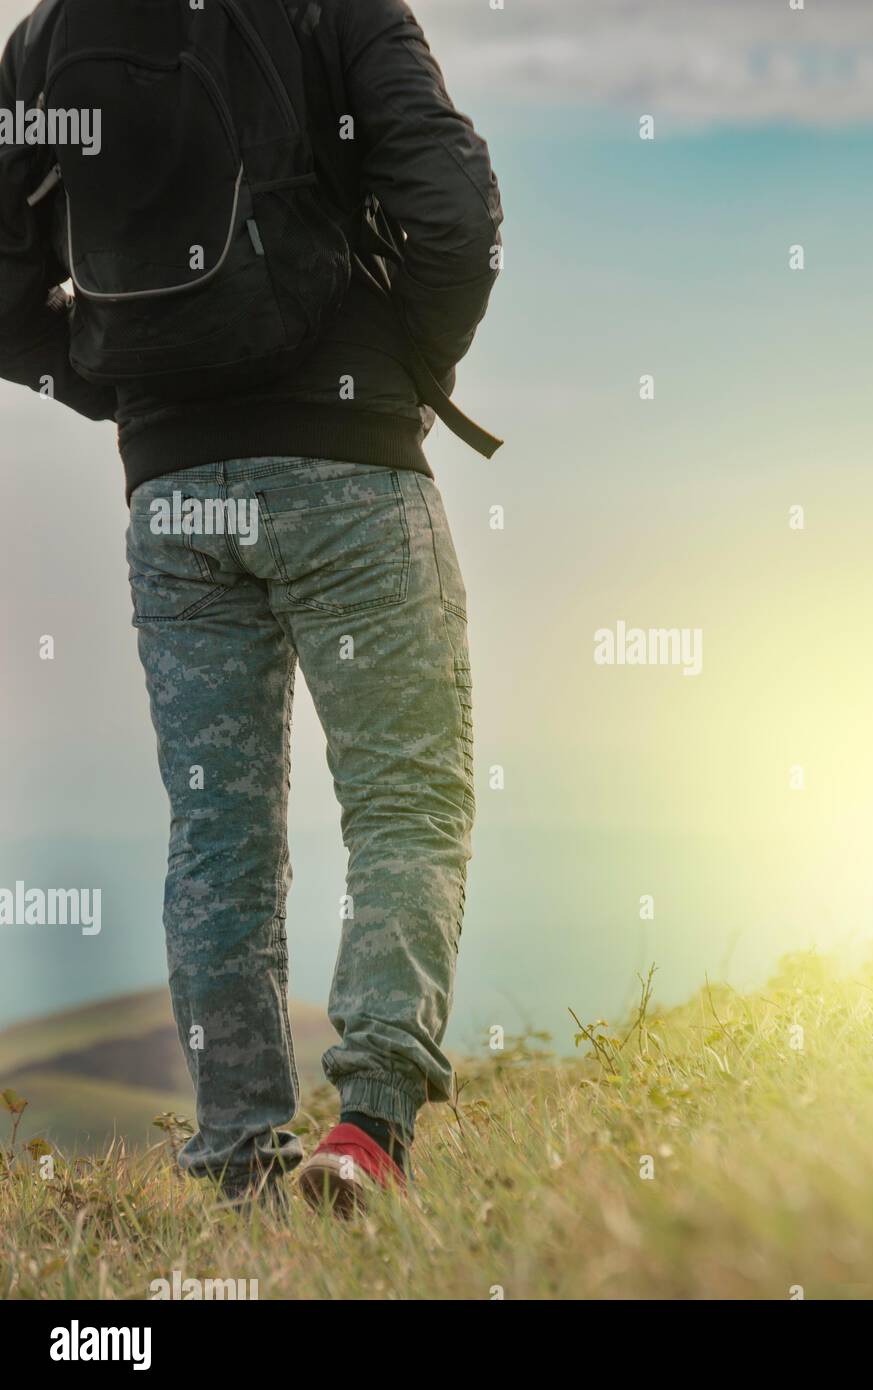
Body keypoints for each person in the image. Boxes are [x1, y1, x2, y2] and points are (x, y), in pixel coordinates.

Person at [0, 0, 502, 1212]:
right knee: (404, 800)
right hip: (352, 466)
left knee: (219, 835)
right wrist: (403, 364)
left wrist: (126, 389)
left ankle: (237, 1164)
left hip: (171, 497)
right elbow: (451, 202)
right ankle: (368, 1131)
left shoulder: (48, 38)